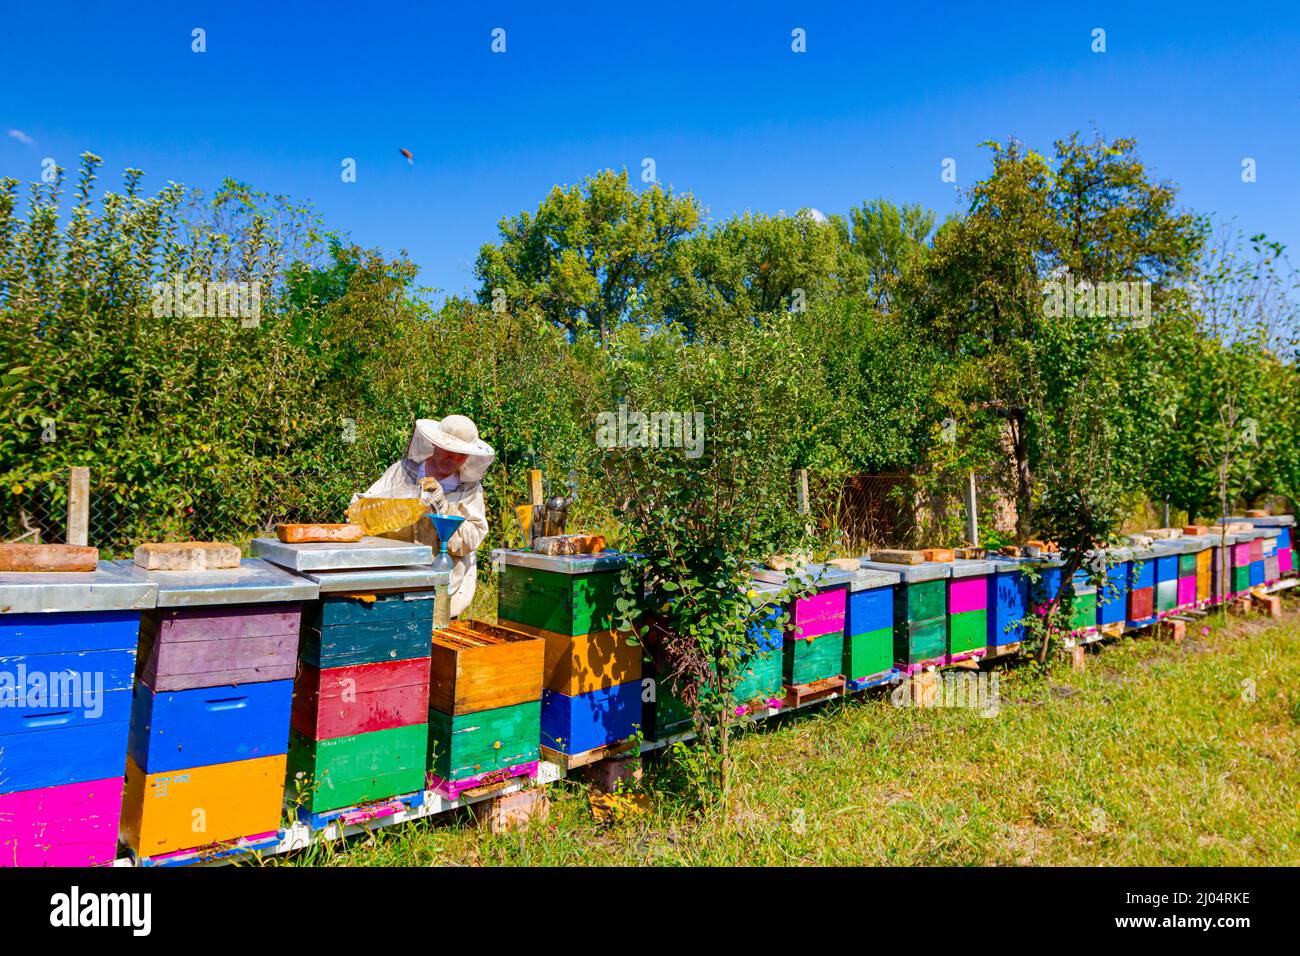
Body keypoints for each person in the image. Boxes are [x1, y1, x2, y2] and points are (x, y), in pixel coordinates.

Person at [356, 415, 493, 618]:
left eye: (461, 454)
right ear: (435, 444)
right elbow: (365, 511)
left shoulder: (470, 489)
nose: (453, 459)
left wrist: (443, 507)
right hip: (392, 583)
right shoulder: (402, 472)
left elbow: (470, 540)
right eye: (449, 450)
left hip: (443, 594)